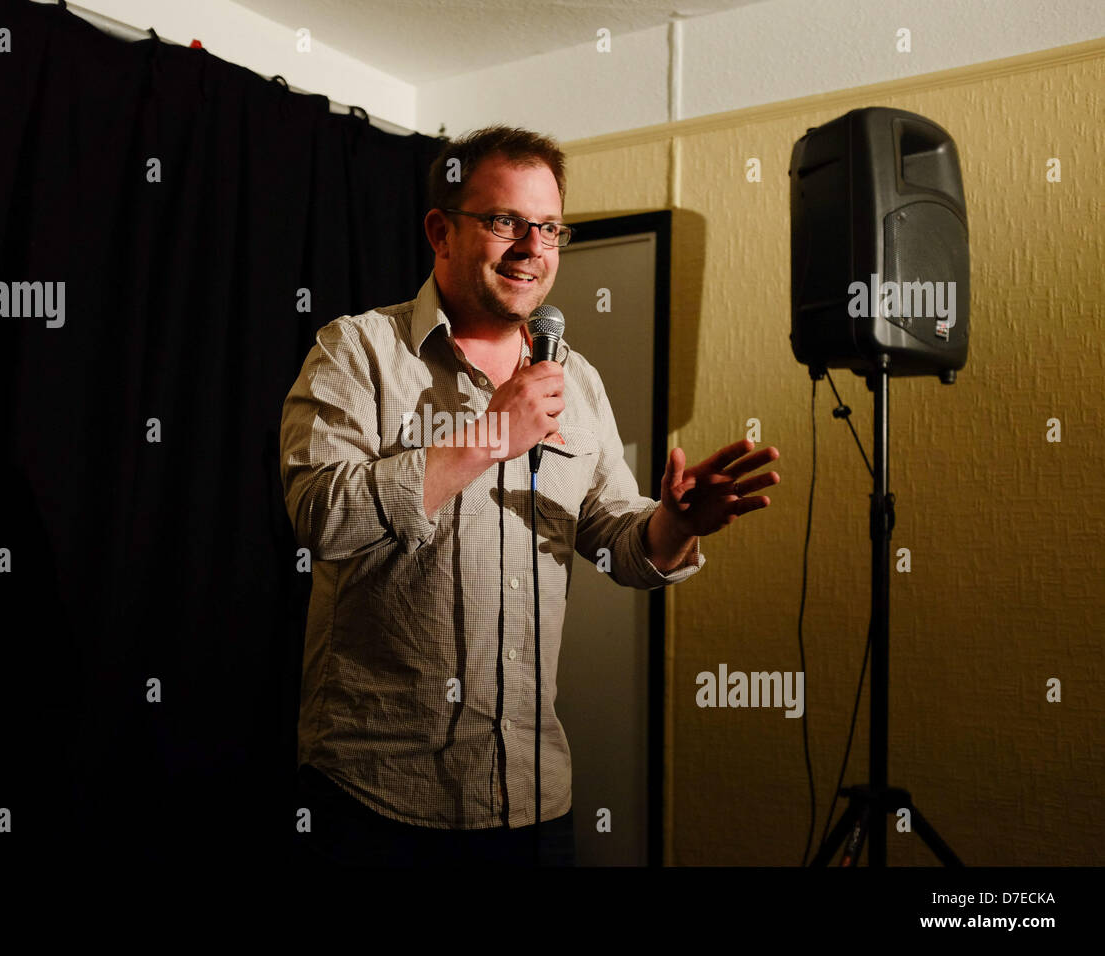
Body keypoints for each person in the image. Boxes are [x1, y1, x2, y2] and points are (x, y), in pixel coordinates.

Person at [280, 125, 780, 867]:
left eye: (548, 227)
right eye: (505, 221)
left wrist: (675, 523)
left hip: (533, 797)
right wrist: (489, 436)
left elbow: (618, 541)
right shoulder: (356, 351)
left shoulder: (576, 382)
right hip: (378, 798)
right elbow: (320, 516)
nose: (531, 247)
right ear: (440, 231)